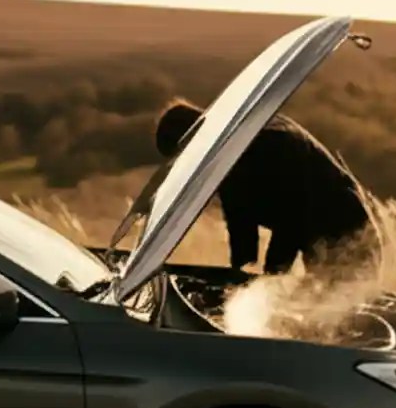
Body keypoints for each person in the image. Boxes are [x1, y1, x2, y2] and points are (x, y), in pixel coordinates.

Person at [153, 97, 382, 281]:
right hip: (322, 238)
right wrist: (241, 279)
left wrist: (270, 283)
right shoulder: (228, 156)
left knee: (333, 317)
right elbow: (241, 228)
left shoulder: (268, 142)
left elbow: (292, 219)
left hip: (351, 237)